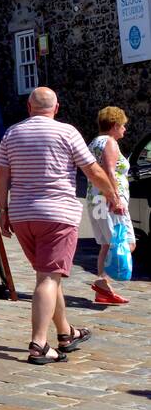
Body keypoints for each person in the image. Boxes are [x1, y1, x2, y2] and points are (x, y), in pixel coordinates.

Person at [0, 87, 124, 365]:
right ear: (56, 108)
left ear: (29, 107)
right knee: (48, 278)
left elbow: (1, 175)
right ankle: (39, 344)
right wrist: (112, 195)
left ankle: (66, 333)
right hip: (57, 214)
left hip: (22, 216)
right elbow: (92, 170)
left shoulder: (12, 134)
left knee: (50, 276)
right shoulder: (67, 132)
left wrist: (3, 210)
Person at [86, 106, 134, 304]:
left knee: (107, 243)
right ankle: (102, 281)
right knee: (127, 242)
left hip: (95, 198)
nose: (124, 129)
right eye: (122, 125)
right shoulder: (110, 142)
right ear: (114, 125)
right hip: (109, 200)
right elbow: (110, 171)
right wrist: (115, 198)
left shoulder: (94, 142)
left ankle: (103, 288)